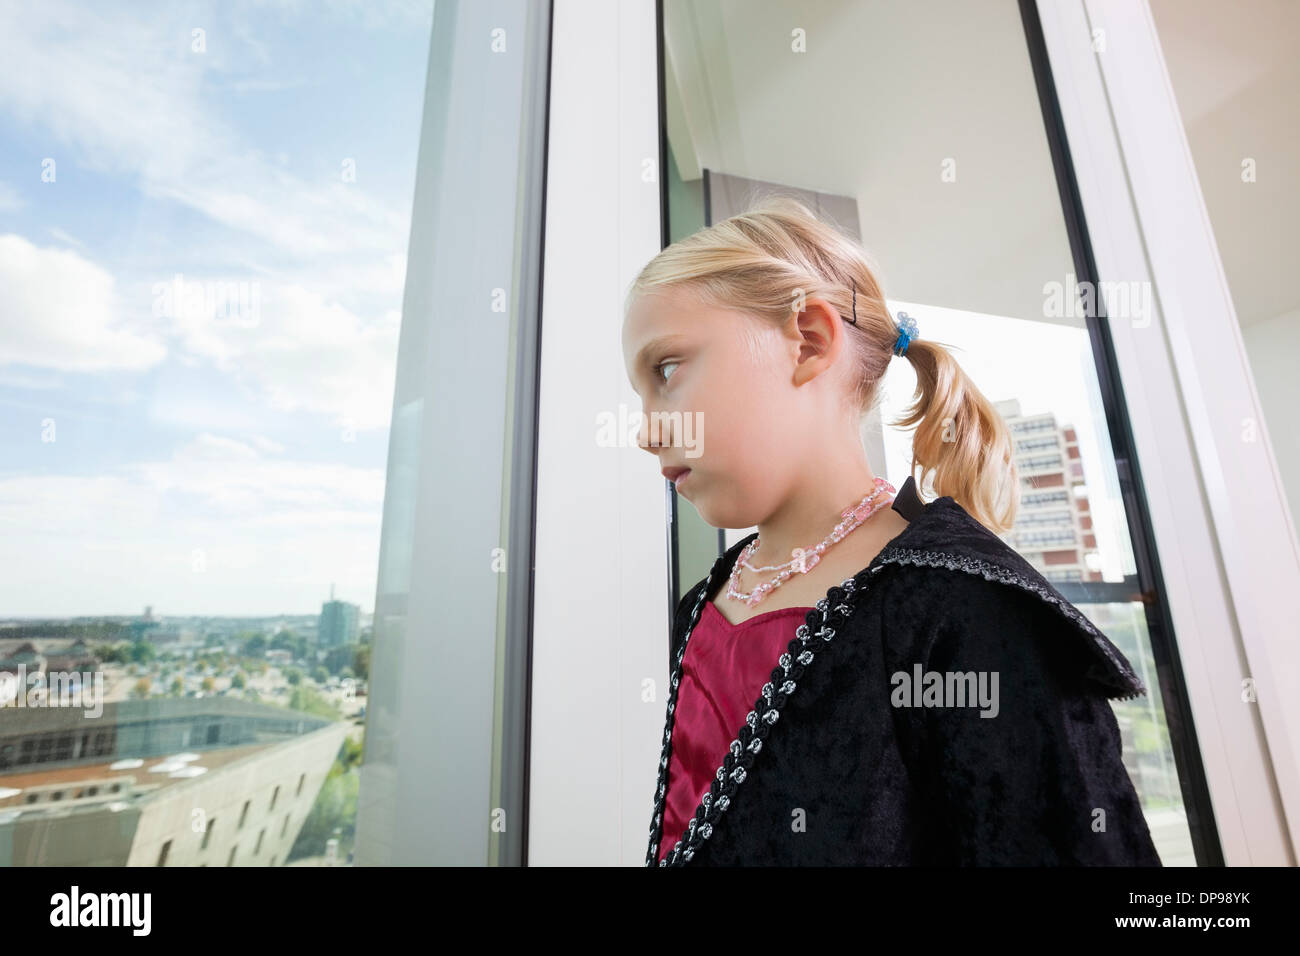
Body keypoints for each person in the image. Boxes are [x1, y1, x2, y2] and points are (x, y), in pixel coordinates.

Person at [622, 195, 1162, 867]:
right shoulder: (704, 605)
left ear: (809, 341)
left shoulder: (964, 608)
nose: (646, 431)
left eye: (666, 369)